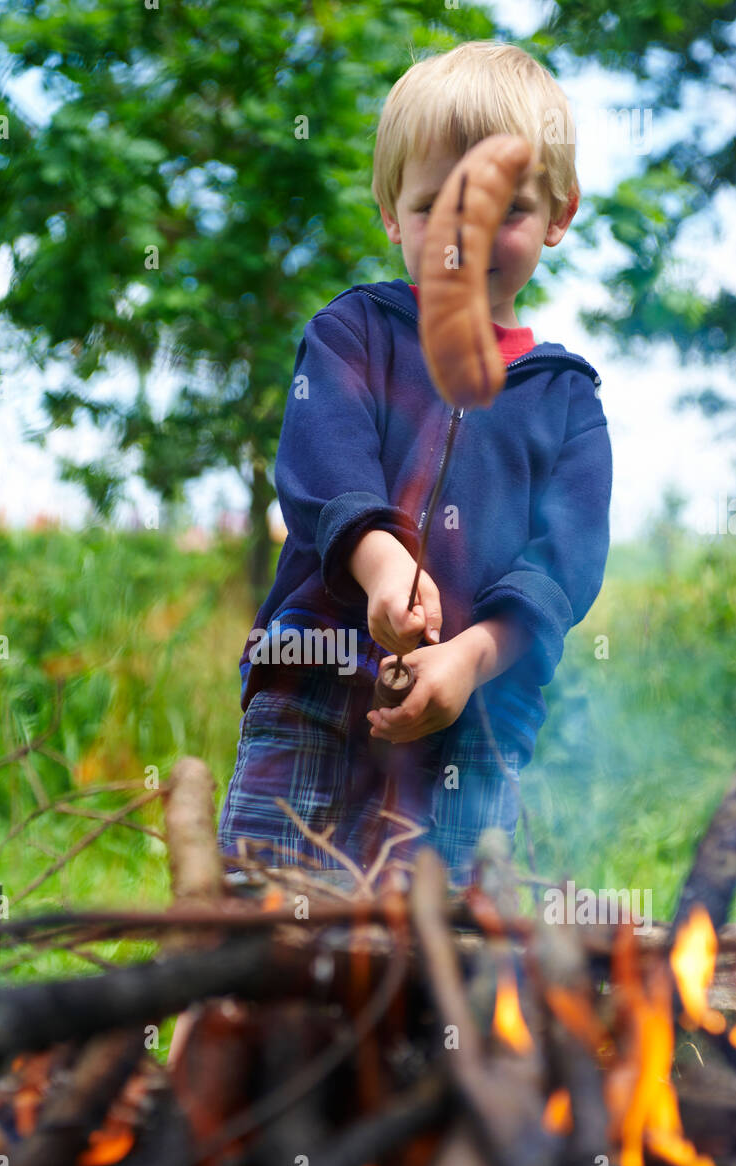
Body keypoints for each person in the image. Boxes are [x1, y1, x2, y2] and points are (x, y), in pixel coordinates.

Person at [215, 39, 612, 895]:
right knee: (263, 910)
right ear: (392, 213)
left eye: (504, 209)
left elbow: (560, 571)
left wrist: (469, 656)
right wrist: (385, 565)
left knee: (451, 942)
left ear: (558, 215)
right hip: (315, 679)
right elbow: (324, 467)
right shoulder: (351, 334)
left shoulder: (565, 400)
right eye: (436, 206)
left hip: (481, 714)